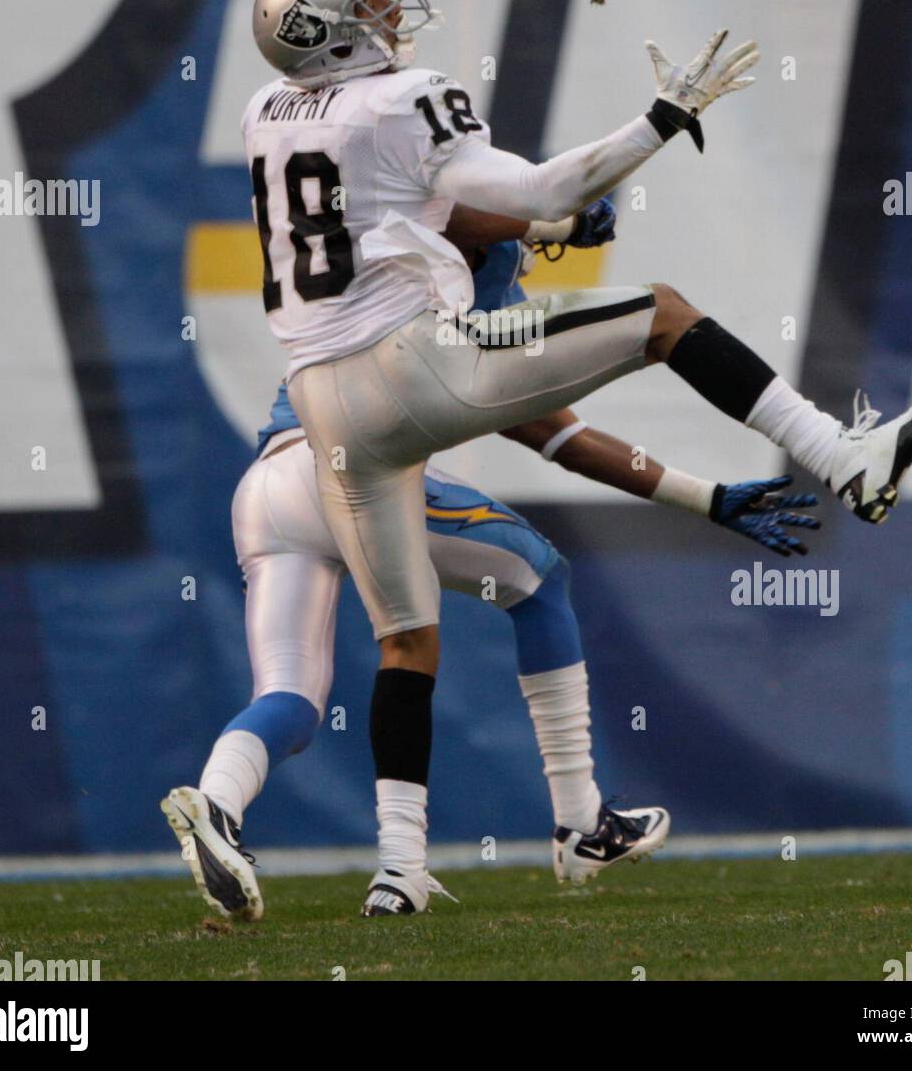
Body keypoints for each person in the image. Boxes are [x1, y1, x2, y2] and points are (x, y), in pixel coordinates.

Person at [239, 0, 912, 916]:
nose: (388, 5)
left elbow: (435, 208)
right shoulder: (400, 97)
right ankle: (845, 457)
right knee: (661, 313)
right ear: (337, 29)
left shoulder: (266, 113)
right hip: (408, 364)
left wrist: (542, 232)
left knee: (406, 641)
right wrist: (661, 119)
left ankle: (398, 870)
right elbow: (538, 192)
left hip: (324, 406)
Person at [161, 204, 821, 920]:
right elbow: (463, 239)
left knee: (290, 698)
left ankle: (218, 804)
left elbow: (561, 436)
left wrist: (707, 496)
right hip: (345, 473)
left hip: (265, 488)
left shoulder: (384, 280)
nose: (527, 271)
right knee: (530, 584)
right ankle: (564, 826)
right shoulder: (445, 298)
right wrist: (553, 222)